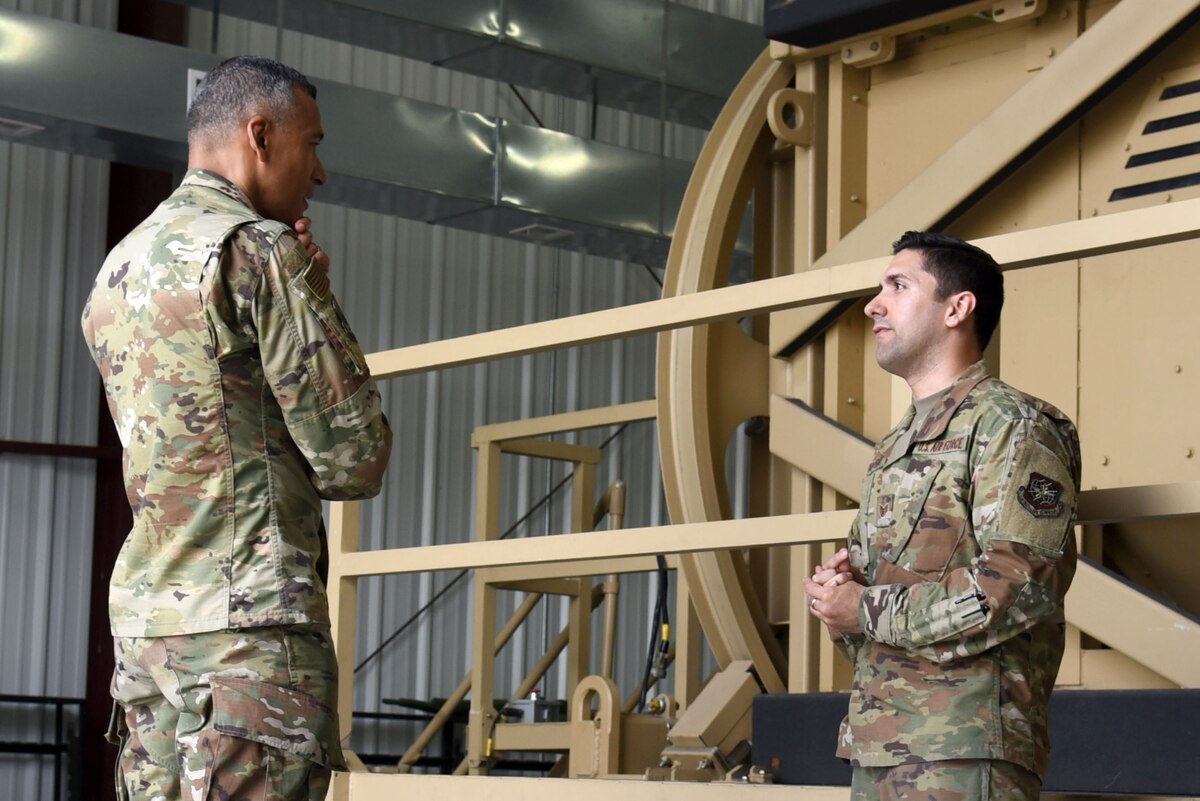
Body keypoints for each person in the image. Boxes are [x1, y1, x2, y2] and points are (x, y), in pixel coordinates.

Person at [81, 56, 392, 800]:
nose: (318, 172)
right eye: (311, 143)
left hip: (150, 642)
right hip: (250, 644)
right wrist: (317, 296)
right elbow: (356, 456)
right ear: (260, 133)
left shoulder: (118, 270)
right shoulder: (261, 253)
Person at [803, 231, 1080, 800]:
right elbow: (874, 620)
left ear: (957, 307)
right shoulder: (896, 444)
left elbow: (1020, 586)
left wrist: (867, 607)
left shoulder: (1011, 425)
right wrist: (840, 601)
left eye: (897, 286)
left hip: (962, 749)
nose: (873, 304)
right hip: (881, 744)